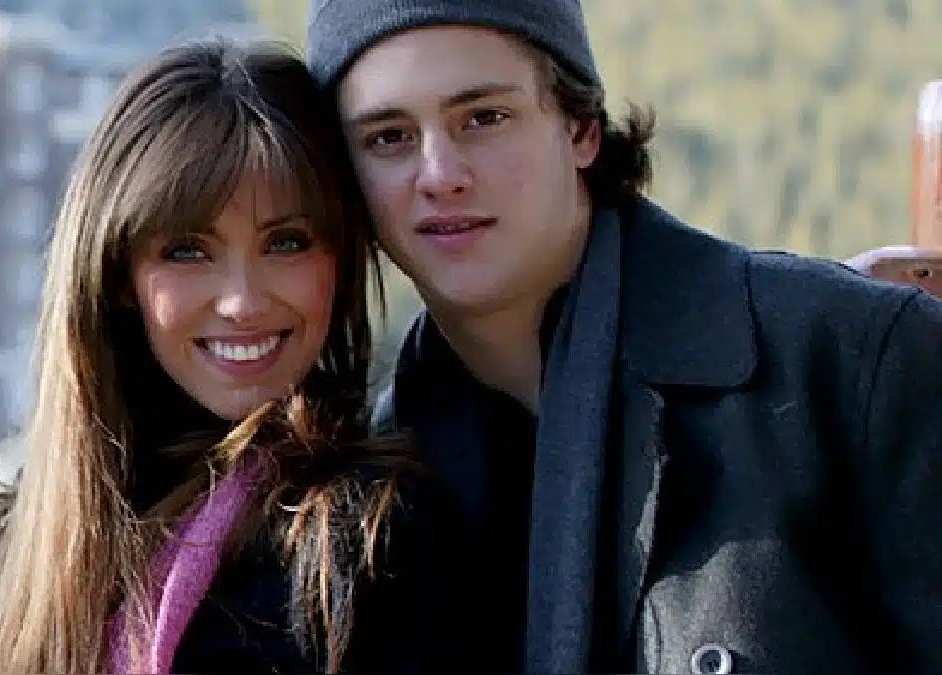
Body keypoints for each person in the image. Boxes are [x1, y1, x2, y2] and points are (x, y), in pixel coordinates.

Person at [305, 1, 942, 673]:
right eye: (388, 137)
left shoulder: (852, 364)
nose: (440, 174)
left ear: (581, 128)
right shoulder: (369, 499)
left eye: (484, 118)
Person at [0, 36, 455, 674]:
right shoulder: (14, 549)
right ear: (119, 275)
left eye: (287, 242)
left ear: (341, 258)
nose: (242, 302)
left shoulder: (370, 544)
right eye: (188, 251)